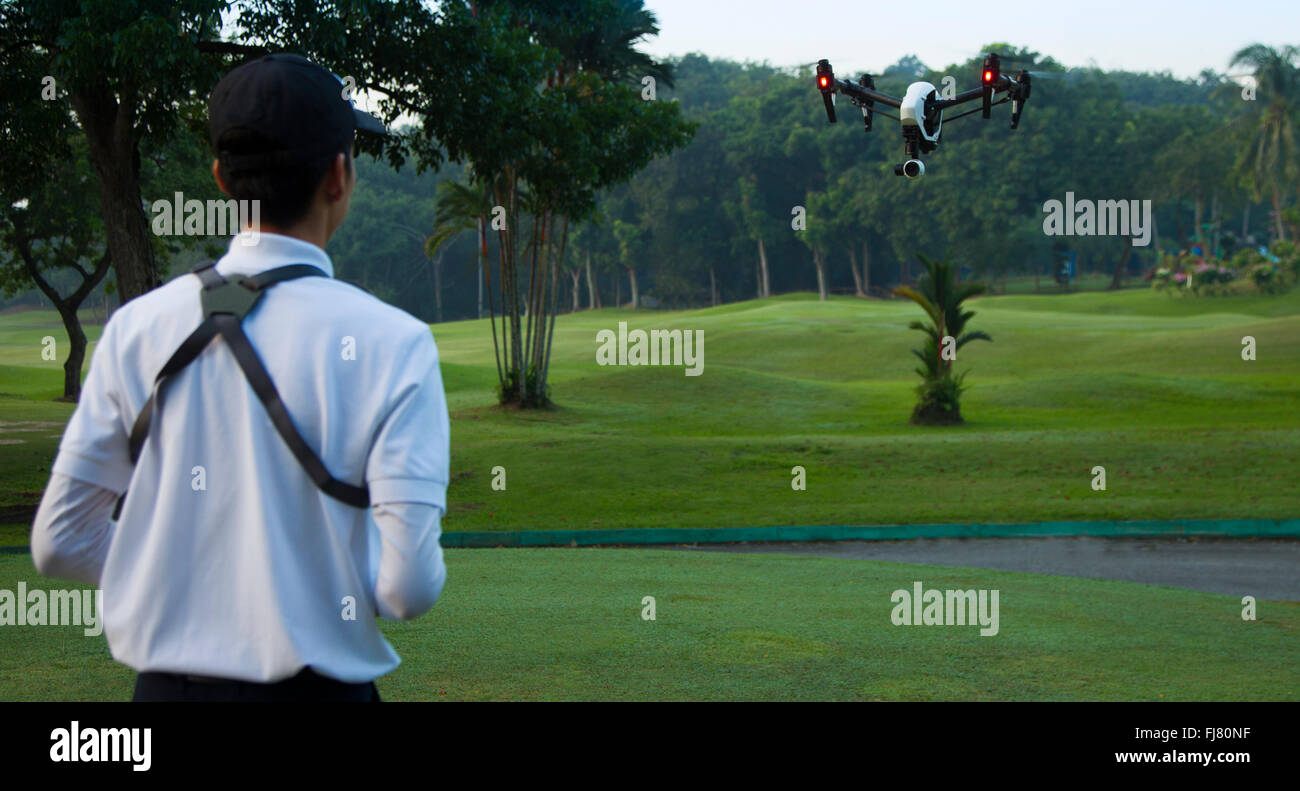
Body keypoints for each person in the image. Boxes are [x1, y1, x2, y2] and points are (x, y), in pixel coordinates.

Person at [31, 53, 450, 702]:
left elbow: (61, 541)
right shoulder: (396, 344)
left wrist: (183, 577)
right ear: (340, 175)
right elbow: (408, 586)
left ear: (222, 179)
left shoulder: (136, 328)